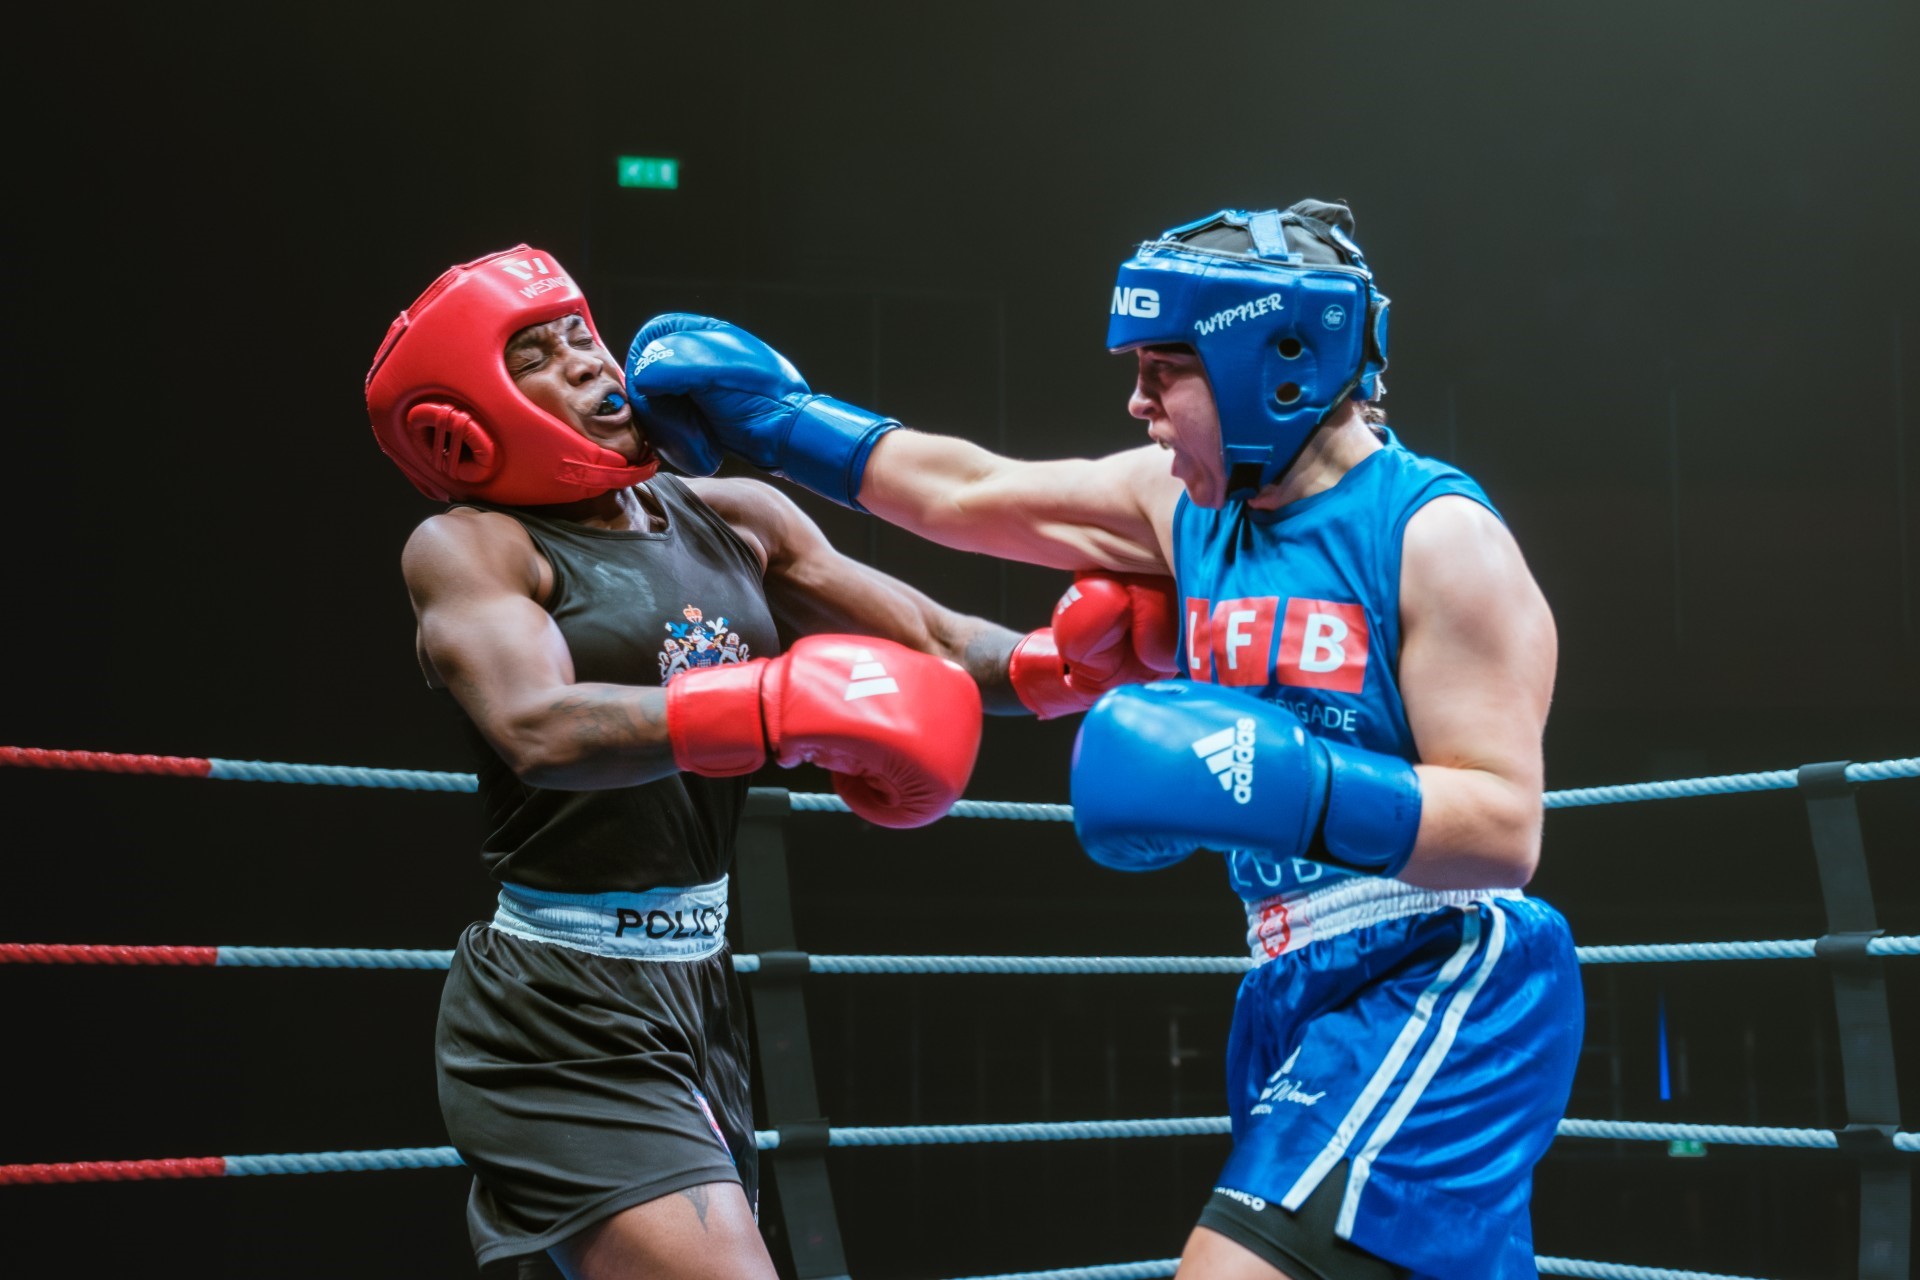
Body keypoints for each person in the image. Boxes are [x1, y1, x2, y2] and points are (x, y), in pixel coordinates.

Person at [621, 201, 1585, 1280]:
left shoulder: (1438, 537)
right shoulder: (1180, 506)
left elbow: (1505, 827)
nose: (1138, 404)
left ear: (1278, 362)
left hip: (1441, 966)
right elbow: (964, 486)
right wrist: (778, 421)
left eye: (1164, 370)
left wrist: (1281, 781)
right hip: (1284, 974)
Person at [364, 245, 1174, 1280]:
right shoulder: (473, 547)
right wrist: (769, 701)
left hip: (699, 987)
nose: (582, 359)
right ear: (466, 416)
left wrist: (1063, 664)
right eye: (535, 352)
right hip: (559, 1007)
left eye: (579, 331)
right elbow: (538, 726)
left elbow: (936, 641)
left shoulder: (734, 514)